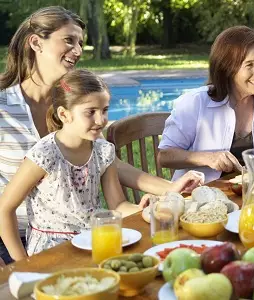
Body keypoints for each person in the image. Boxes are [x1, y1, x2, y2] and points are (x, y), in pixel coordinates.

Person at [0, 6, 202, 266]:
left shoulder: (76, 104)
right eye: (69, 40)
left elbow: (109, 164)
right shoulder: (4, 106)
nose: (78, 50)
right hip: (14, 242)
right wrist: (15, 266)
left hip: (82, 240)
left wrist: (172, 191)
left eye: (80, 43)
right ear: (36, 43)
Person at [0, 70, 143, 260]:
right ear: (64, 115)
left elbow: (118, 205)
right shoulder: (44, 154)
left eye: (104, 110)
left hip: (93, 242)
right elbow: (4, 208)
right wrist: (22, 265)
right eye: (90, 112)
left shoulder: (103, 151)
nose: (101, 120)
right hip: (50, 253)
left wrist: (146, 209)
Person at [158, 26, 254, 183]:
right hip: (199, 198)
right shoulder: (195, 103)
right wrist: (207, 158)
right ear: (227, 69)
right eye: (249, 65)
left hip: (251, 196)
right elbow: (165, 156)